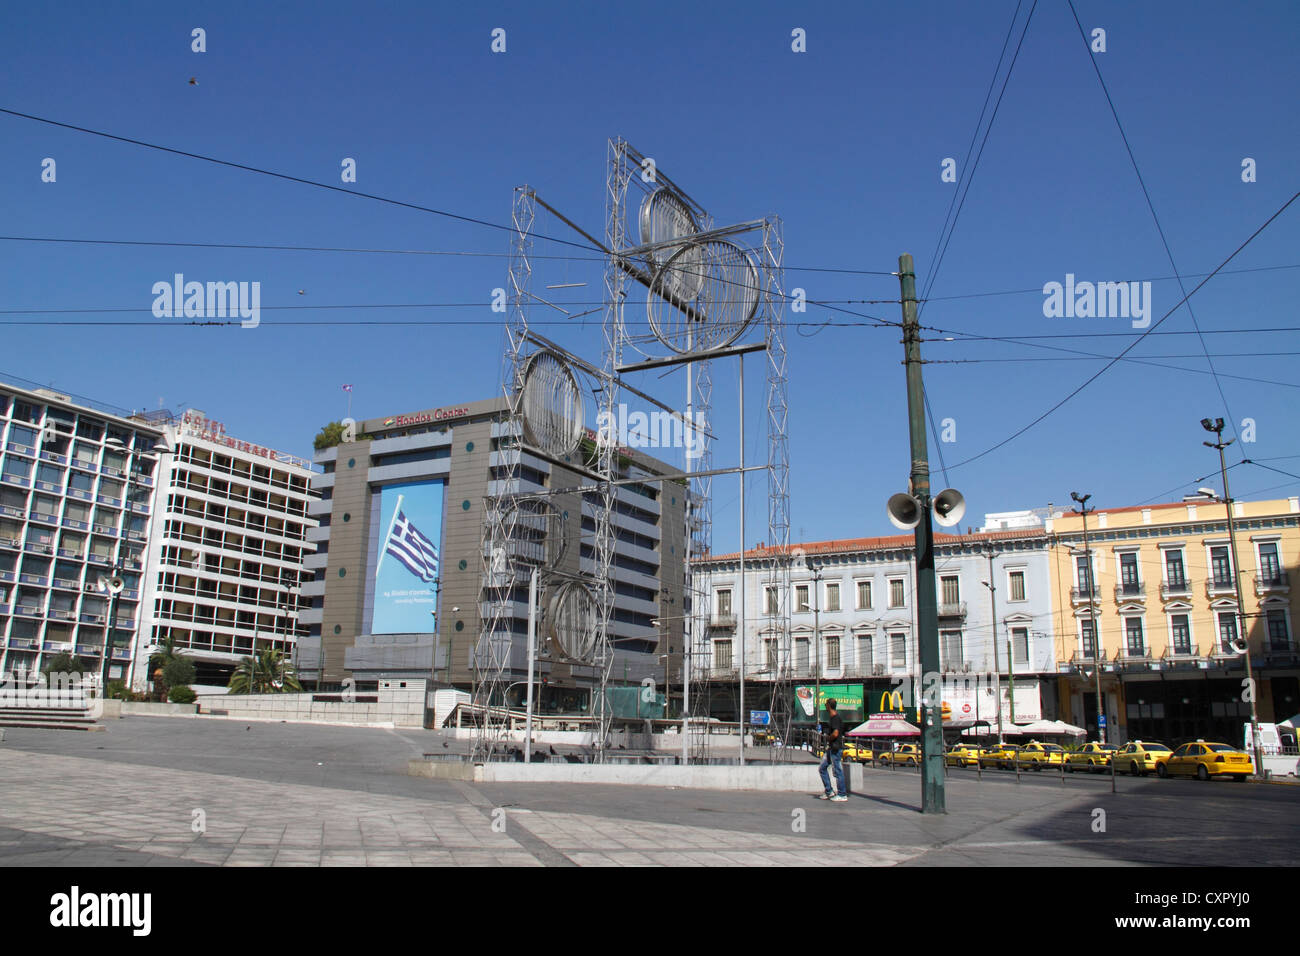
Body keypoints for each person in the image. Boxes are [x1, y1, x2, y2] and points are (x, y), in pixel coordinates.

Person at [818, 698, 848, 801]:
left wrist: (828, 738)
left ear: (829, 706)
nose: (825, 706)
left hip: (835, 748)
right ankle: (829, 791)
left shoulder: (835, 718)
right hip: (831, 748)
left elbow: (835, 733)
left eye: (826, 704)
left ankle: (842, 794)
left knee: (837, 771)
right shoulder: (834, 717)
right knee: (822, 768)